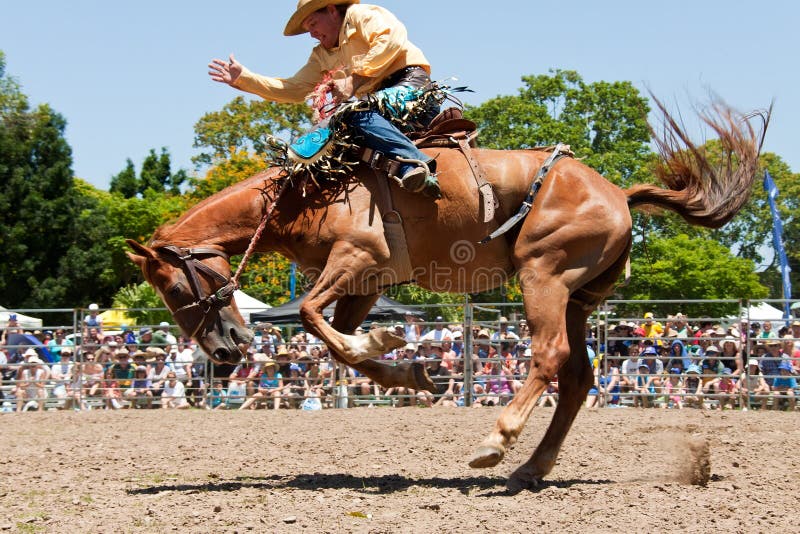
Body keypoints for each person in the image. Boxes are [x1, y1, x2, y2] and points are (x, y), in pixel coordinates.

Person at [208, 0, 440, 196]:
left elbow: (391, 38)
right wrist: (245, 78)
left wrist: (355, 78)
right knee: (316, 145)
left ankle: (415, 163)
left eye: (313, 24)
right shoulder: (320, 55)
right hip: (374, 112)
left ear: (331, 10)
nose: (311, 34)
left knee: (347, 115)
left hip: (412, 90)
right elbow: (294, 88)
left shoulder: (360, 15)